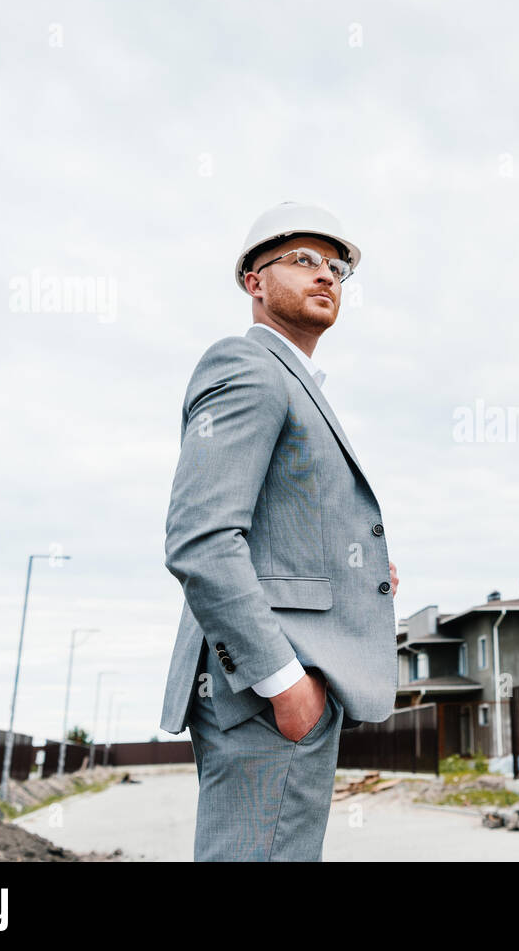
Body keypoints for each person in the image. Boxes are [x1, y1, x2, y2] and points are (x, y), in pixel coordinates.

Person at [158, 201, 399, 861]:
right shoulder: (247, 367)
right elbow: (200, 540)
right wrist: (283, 682)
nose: (325, 275)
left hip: (279, 689)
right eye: (301, 259)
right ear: (253, 281)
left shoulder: (292, 382)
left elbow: (276, 536)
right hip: (269, 693)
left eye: (336, 267)